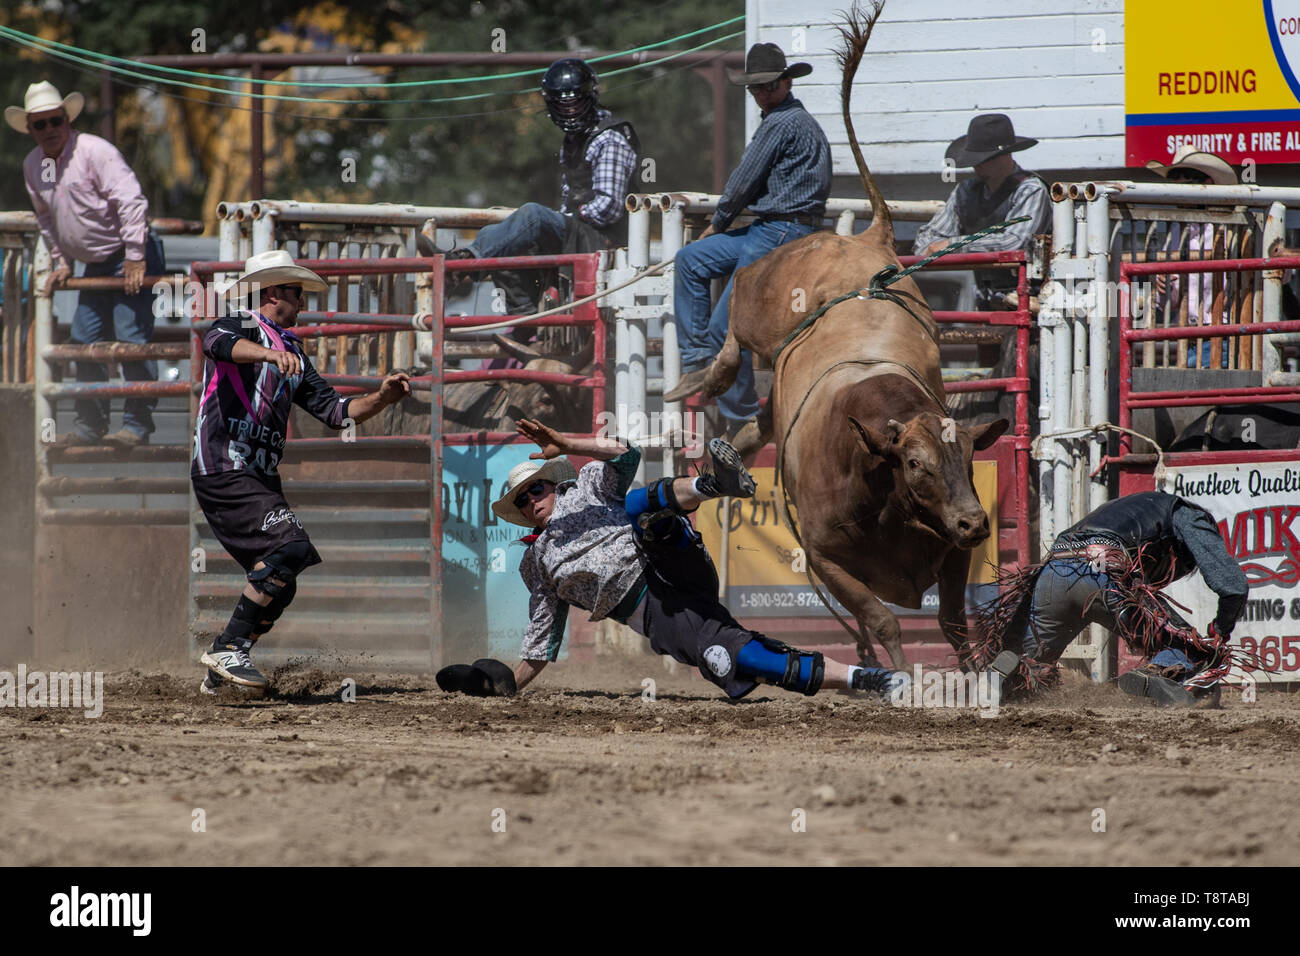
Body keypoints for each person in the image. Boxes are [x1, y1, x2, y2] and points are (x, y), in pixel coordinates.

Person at [435, 420, 909, 700]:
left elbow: (626, 452)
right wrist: (509, 686)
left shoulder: (585, 487)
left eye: (535, 488)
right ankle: (871, 679)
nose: (531, 500)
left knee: (644, 514)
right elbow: (542, 640)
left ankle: (711, 486)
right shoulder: (536, 563)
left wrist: (570, 444)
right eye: (522, 500)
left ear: (552, 483)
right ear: (519, 514)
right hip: (657, 612)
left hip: (666, 557)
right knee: (737, 656)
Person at [192, 250, 412, 694]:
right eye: (297, 293)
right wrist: (269, 356)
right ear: (274, 292)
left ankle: (221, 667)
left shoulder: (294, 351)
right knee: (289, 550)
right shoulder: (241, 325)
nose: (302, 303)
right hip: (225, 466)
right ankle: (228, 647)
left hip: (257, 476)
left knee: (281, 579)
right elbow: (214, 343)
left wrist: (383, 398)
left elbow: (336, 411)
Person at [673, 42, 831, 439]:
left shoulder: (781, 123)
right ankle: (698, 364)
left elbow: (743, 181)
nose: (762, 94)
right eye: (756, 88)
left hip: (782, 229)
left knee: (729, 324)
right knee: (690, 260)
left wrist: (719, 222)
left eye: (769, 86)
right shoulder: (791, 120)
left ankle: (742, 417)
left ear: (786, 82)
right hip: (776, 226)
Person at [969, 491, 1248, 707]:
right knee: (1191, 648)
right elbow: (1233, 586)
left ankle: (1010, 668)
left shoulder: (1125, 508)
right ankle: (1159, 672)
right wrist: (1221, 629)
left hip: (1052, 570)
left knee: (1032, 670)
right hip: (1105, 571)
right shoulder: (1188, 514)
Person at [8, 80, 166, 448]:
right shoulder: (34, 164)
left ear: (67, 120)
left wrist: (135, 256)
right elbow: (46, 217)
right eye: (40, 124)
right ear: (30, 129)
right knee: (83, 340)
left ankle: (136, 426)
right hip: (96, 264)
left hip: (126, 254)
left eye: (54, 121)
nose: (48, 130)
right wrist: (62, 260)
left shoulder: (95, 151)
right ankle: (91, 425)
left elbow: (130, 200)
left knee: (131, 339)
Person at [420, 58, 640, 316]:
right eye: (561, 105)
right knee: (504, 237)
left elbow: (610, 207)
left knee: (531, 216)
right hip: (580, 233)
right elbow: (570, 198)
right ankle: (522, 313)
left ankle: (460, 267)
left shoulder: (609, 139)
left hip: (605, 238)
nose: (569, 112)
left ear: (589, 97)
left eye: (575, 103)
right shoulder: (574, 140)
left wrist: (560, 220)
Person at [913, 113, 1051, 308]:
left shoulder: (1030, 189)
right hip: (985, 300)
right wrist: (933, 247)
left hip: (1033, 300)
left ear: (1005, 156)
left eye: (984, 159)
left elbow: (1015, 242)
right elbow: (928, 239)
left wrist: (952, 246)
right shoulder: (966, 191)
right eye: (975, 159)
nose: (977, 166)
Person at [1145, 145, 1239, 369]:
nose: (1179, 194)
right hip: (1188, 336)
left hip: (1221, 334)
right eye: (1176, 187)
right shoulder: (1176, 232)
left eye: (1186, 185)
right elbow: (1171, 301)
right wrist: (1162, 285)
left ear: (1206, 185)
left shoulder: (1227, 229)